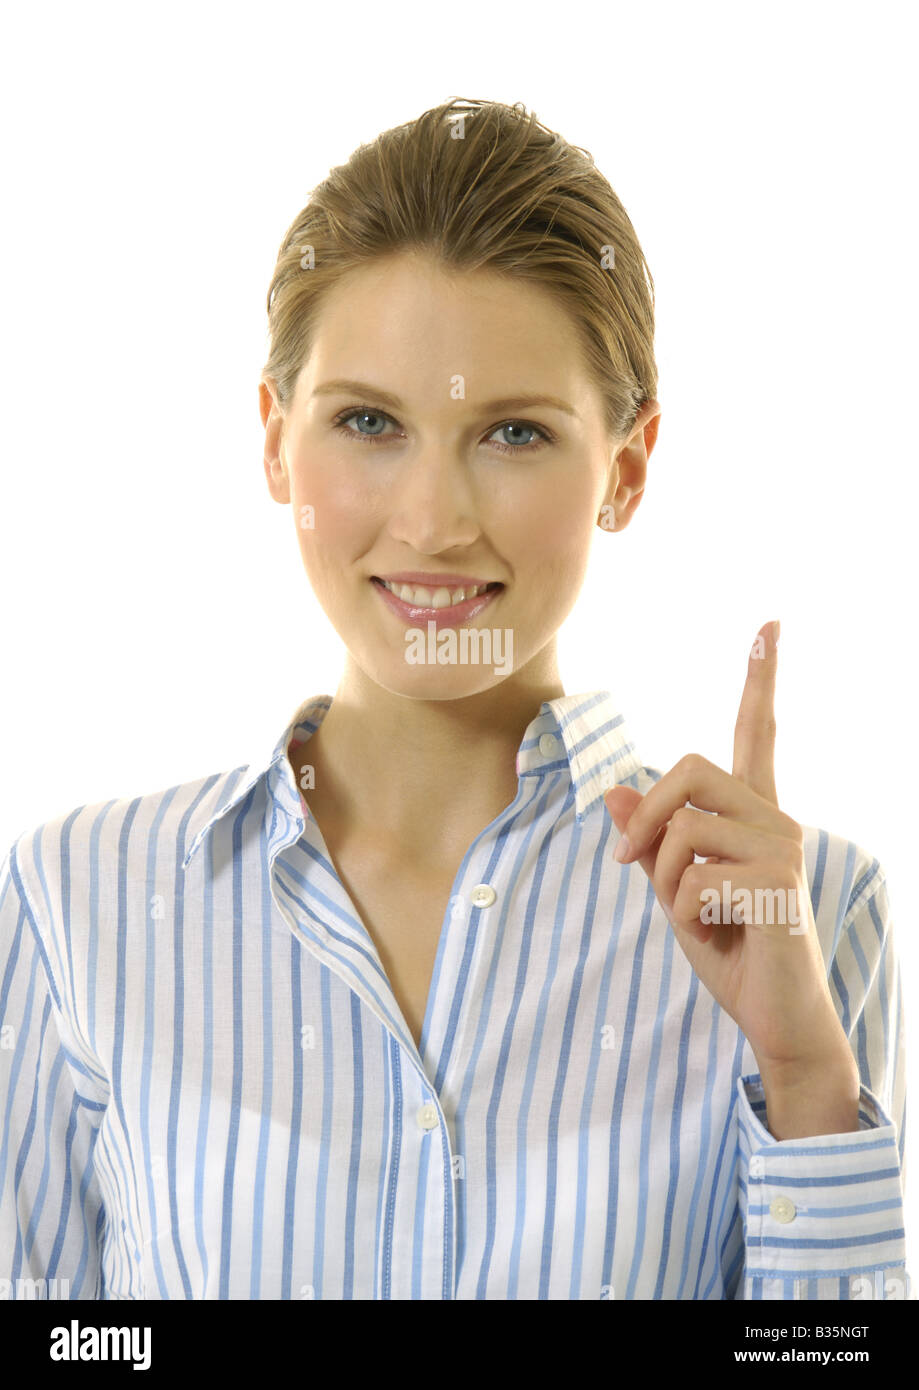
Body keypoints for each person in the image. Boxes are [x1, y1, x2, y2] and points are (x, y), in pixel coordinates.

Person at [0, 96, 908, 1301]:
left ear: (624, 470)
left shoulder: (802, 910)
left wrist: (800, 1078)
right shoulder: (78, 901)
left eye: (514, 434)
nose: (432, 521)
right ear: (275, 439)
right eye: (368, 421)